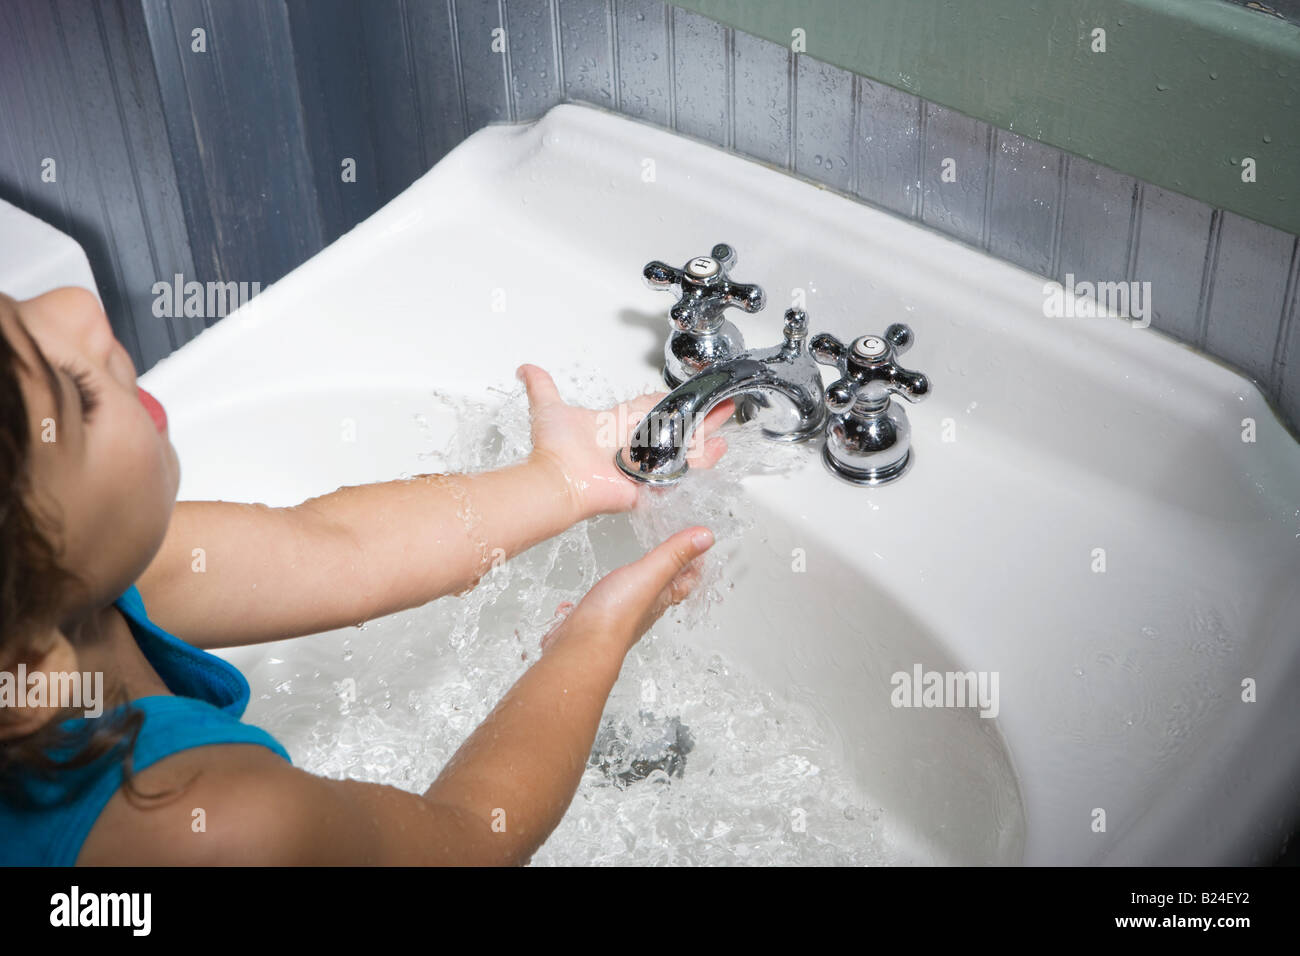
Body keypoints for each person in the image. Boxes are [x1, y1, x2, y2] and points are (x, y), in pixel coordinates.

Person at [0, 286, 730, 865]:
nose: (76, 306)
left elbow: (333, 548)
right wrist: (593, 641)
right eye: (73, 391)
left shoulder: (55, 583)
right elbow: (470, 839)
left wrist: (560, 482)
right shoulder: (203, 824)